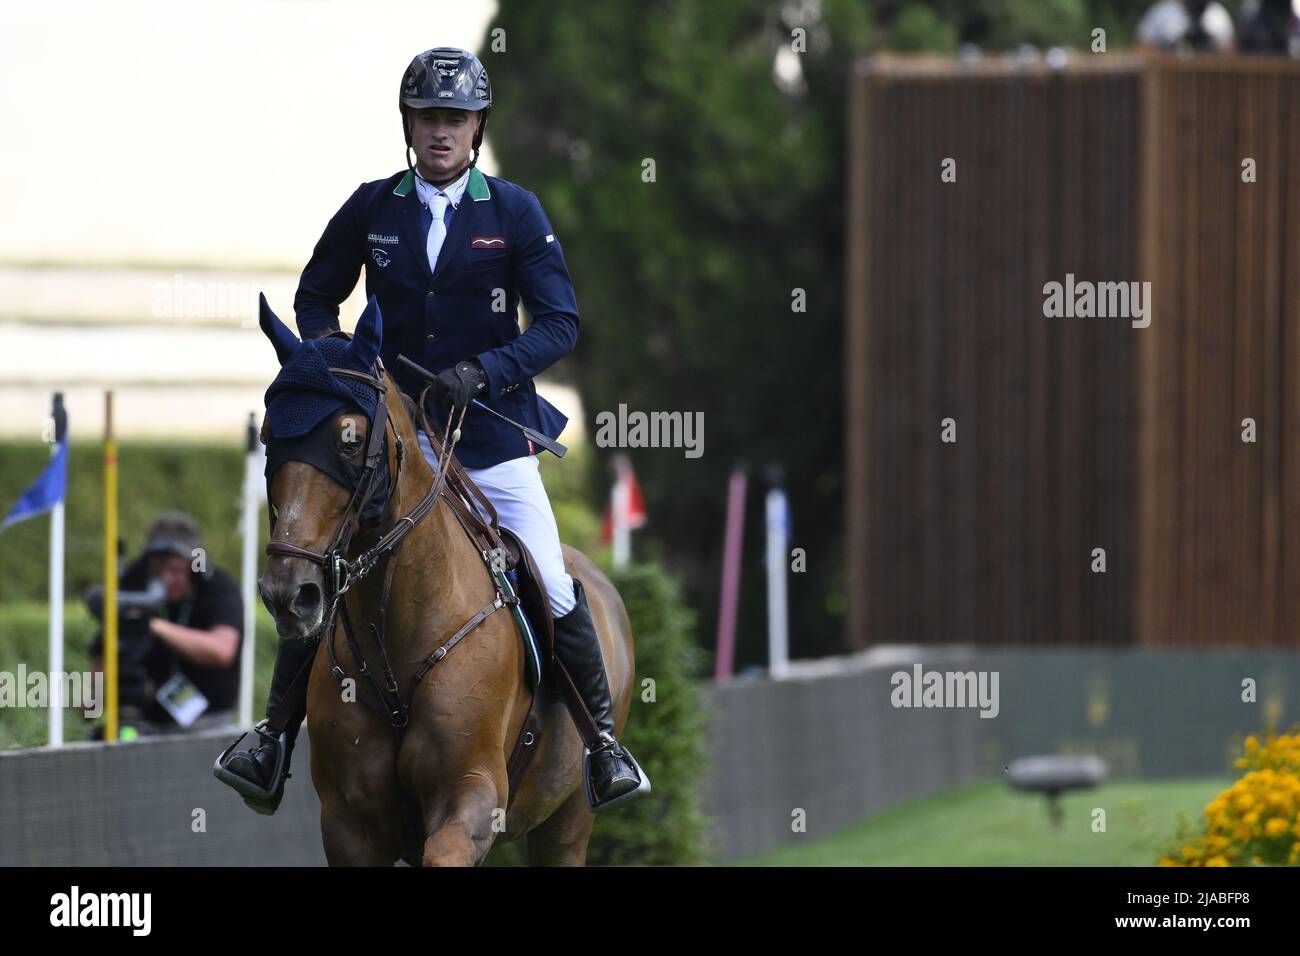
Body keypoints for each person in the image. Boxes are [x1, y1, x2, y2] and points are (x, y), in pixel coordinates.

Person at [219, 47, 643, 812]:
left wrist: (486, 372)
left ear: (477, 126)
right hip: (392, 447)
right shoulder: (372, 206)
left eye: (455, 118)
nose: (440, 131)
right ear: (409, 126)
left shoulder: (514, 211)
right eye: (428, 118)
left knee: (548, 571)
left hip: (488, 438)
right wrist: (343, 368)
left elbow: (559, 323)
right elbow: (316, 297)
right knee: (325, 569)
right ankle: (273, 737)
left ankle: (604, 745)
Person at [91, 511, 242, 734]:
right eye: (158, 568)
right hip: (145, 722)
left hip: (207, 724)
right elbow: (102, 647)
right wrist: (95, 692)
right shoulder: (135, 578)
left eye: (174, 570)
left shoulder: (218, 587)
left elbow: (221, 650)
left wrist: (154, 626)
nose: (165, 578)